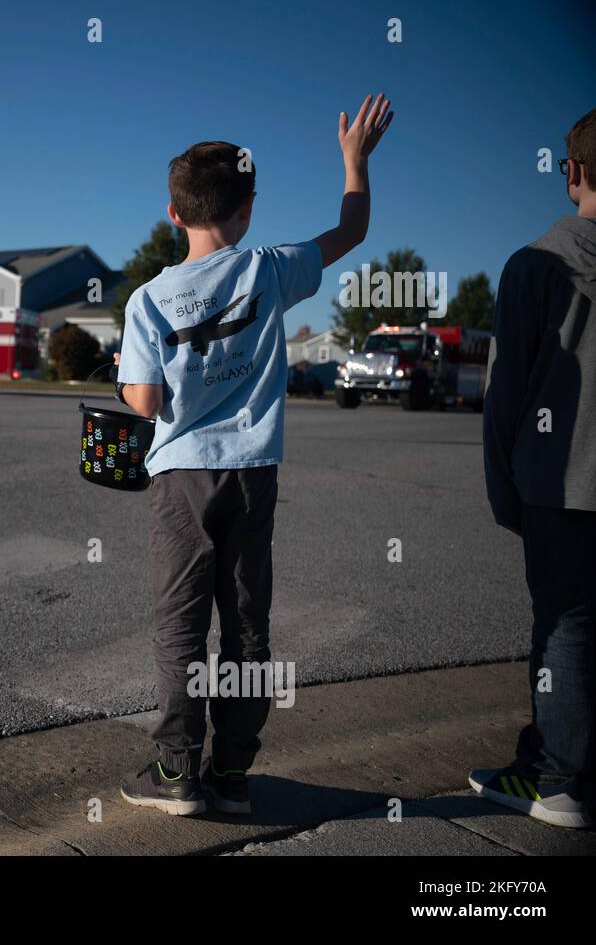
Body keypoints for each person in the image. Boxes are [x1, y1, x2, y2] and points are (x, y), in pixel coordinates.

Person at [113, 95, 393, 815]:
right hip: (253, 472)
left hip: (181, 476)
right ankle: (233, 775)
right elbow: (352, 230)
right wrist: (353, 159)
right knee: (244, 624)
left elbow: (143, 402)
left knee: (180, 623)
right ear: (248, 210)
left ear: (173, 215)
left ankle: (178, 772)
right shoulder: (270, 268)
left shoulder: (148, 300)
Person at [473, 108, 596, 829]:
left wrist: (504, 487)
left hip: (561, 482)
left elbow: (506, 393)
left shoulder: (535, 266)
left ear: (571, 172)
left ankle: (556, 778)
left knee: (567, 625)